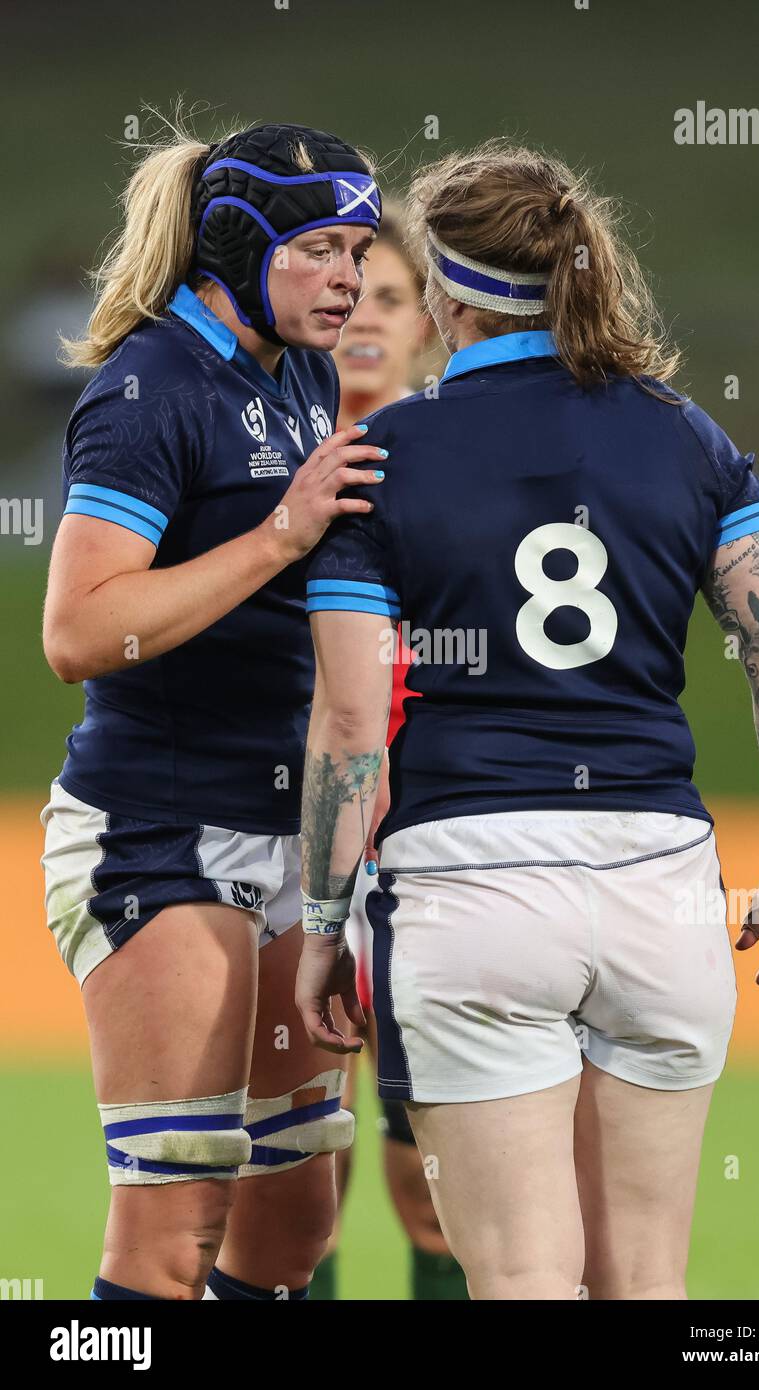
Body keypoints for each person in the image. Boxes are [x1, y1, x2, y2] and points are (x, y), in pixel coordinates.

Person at [294, 141, 759, 1300]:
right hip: (661, 886)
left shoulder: (382, 457)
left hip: (469, 888)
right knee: (646, 1284)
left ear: (442, 295)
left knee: (526, 1280)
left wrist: (324, 925)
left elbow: (347, 723)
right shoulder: (689, 437)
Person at [41, 117, 387, 1301]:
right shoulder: (149, 387)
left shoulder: (299, 370)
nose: (351, 279)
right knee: (173, 1229)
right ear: (239, 248)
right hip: (160, 831)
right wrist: (280, 532)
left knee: (292, 1225)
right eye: (326, 249)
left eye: (361, 250)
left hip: (286, 832)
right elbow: (79, 631)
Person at [312, 208, 466, 1301]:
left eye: (393, 297)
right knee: (298, 1175)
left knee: (439, 1186)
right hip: (285, 839)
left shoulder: (462, 468)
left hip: (434, 852)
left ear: (429, 325)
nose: (365, 313)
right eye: (350, 292)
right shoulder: (254, 456)